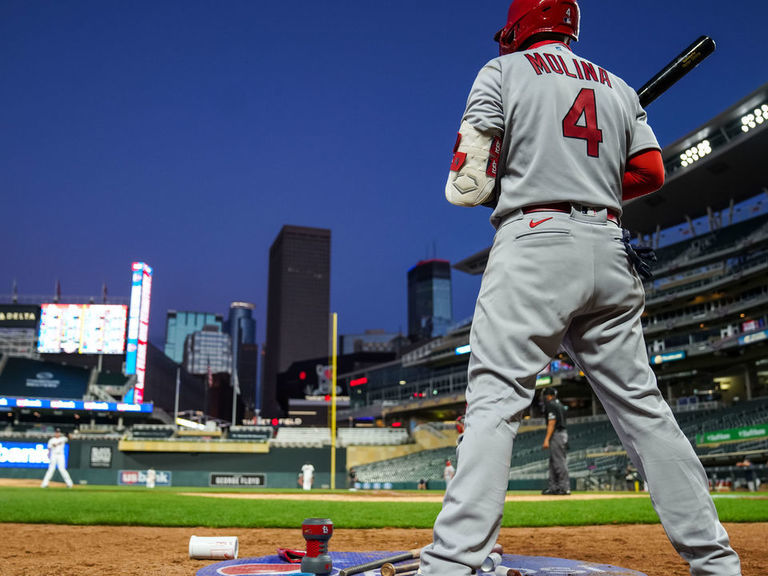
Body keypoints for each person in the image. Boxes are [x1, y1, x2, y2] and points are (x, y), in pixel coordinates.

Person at [418, 1, 742, 575]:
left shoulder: (501, 73)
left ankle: (450, 563)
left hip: (534, 241)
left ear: (518, 29)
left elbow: (465, 186)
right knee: (646, 413)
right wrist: (580, 172)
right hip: (609, 247)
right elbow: (650, 172)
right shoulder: (617, 87)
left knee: (495, 405)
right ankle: (716, 564)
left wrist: (524, 172)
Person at [540, 388, 569, 495]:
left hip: (557, 434)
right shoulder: (559, 404)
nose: (544, 398)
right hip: (561, 433)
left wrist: (546, 439)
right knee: (553, 462)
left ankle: (564, 487)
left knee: (559, 461)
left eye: (545, 395)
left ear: (549, 396)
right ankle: (554, 487)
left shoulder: (551, 404)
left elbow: (552, 422)